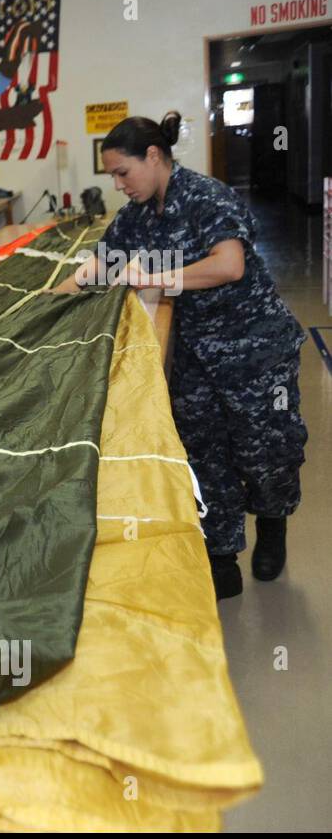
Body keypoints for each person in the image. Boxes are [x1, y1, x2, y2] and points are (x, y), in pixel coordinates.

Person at [54, 111, 307, 600]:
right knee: (205, 455)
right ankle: (222, 557)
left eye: (122, 173)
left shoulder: (206, 197)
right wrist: (53, 299)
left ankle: (272, 526)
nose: (118, 185)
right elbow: (100, 264)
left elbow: (229, 265)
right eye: (112, 177)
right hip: (196, 356)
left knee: (266, 452)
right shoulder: (139, 213)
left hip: (254, 351)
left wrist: (157, 277)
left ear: (153, 157)